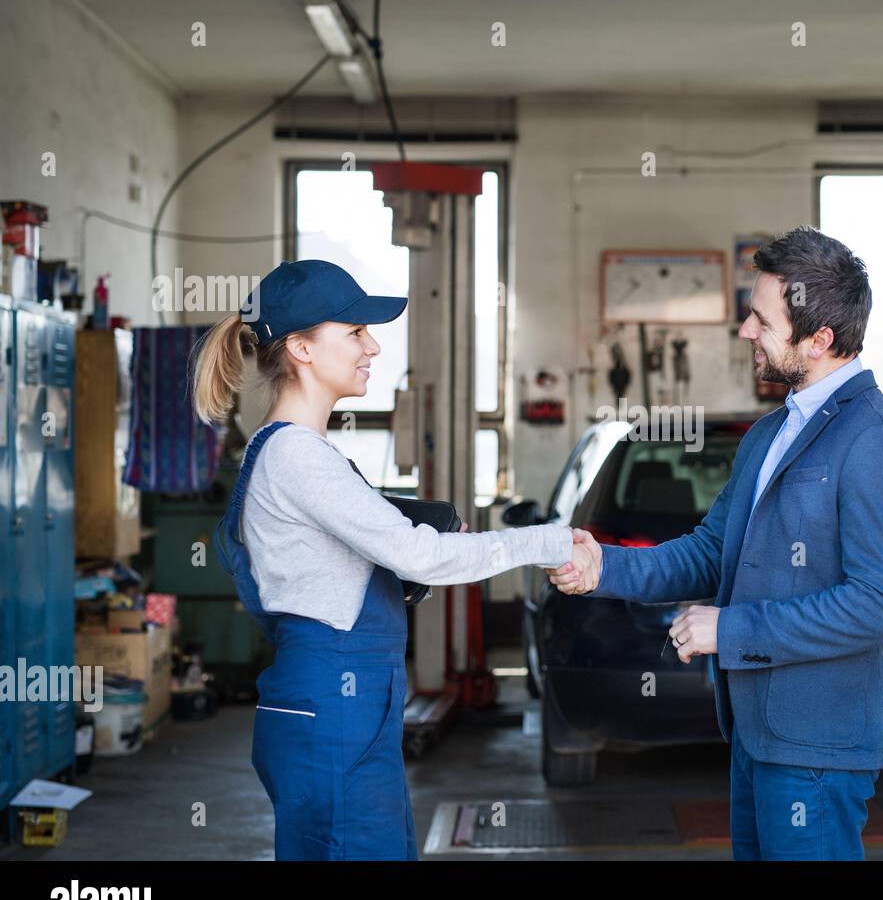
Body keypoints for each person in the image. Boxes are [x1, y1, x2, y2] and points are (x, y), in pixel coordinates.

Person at [192, 259, 594, 860]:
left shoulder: (294, 451)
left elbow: (352, 567)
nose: (372, 345)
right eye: (354, 332)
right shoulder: (296, 457)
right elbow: (422, 555)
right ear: (301, 347)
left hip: (348, 701)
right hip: (332, 704)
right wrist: (550, 541)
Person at [548, 227, 883, 861]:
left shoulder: (875, 441)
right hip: (759, 735)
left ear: (820, 339)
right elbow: (706, 551)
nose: (747, 332)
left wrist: (731, 630)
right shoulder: (772, 433)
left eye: (760, 320)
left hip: (817, 750)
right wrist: (600, 568)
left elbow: (882, 605)